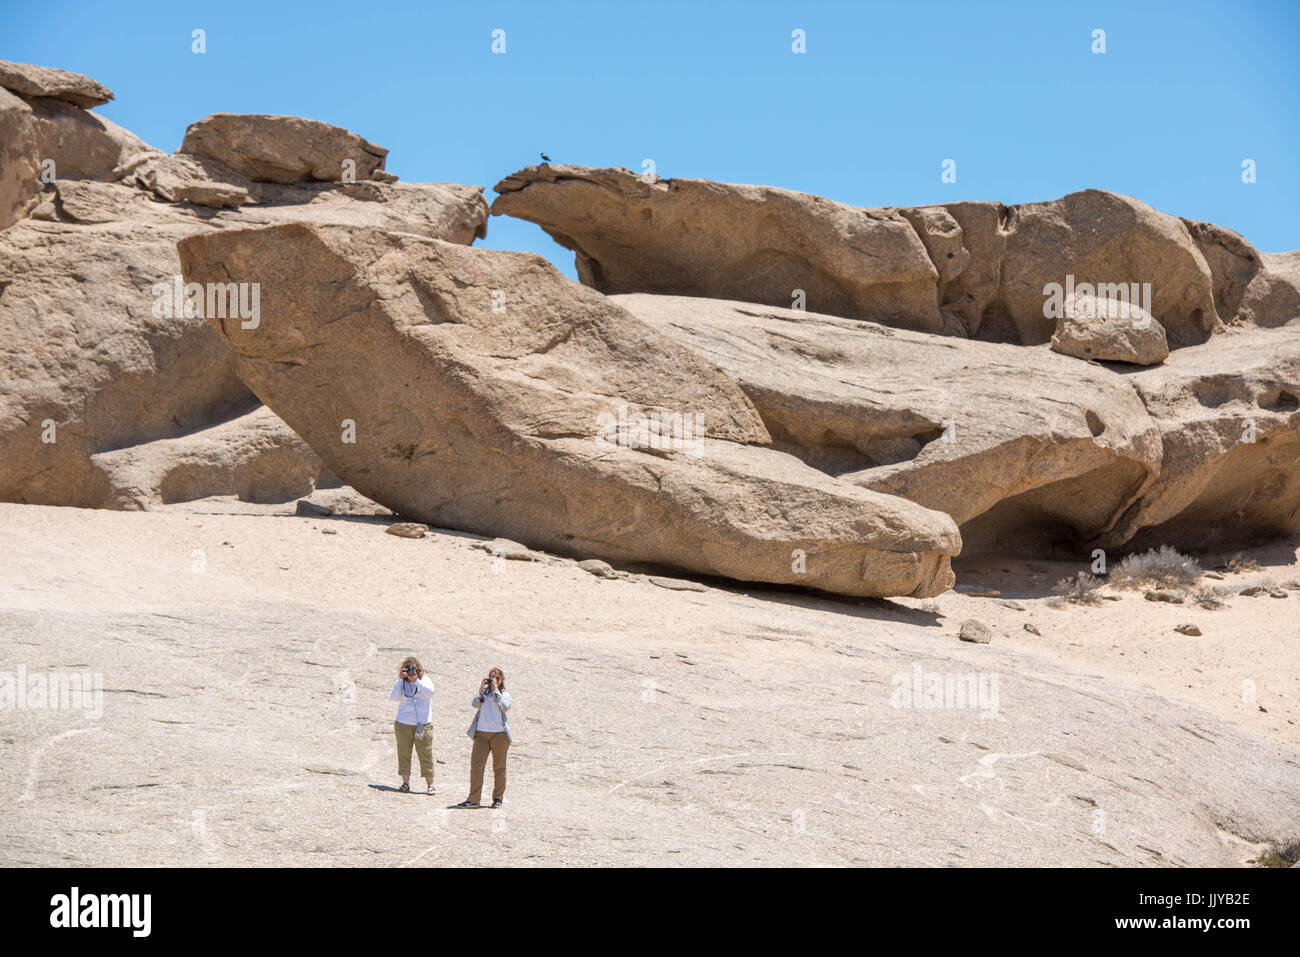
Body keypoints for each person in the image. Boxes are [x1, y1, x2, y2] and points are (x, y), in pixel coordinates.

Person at [456, 667, 512, 809]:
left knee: (499, 768)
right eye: (491, 678)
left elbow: (505, 706)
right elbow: (474, 704)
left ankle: (498, 799)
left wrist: (496, 691)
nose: (493, 681)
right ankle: (474, 799)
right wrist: (481, 689)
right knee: (476, 766)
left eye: (496, 679)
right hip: (481, 734)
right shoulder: (484, 694)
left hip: (499, 735)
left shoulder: (504, 694)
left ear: (501, 681)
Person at [389, 657, 435, 794]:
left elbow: (430, 693)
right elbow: (393, 697)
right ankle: (405, 783)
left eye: (412, 670)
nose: (410, 673)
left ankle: (430, 785)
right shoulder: (401, 683)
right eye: (407, 670)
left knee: (425, 753)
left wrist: (416, 681)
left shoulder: (425, 680)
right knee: (404, 753)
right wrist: (399, 681)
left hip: (423, 724)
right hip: (404, 722)